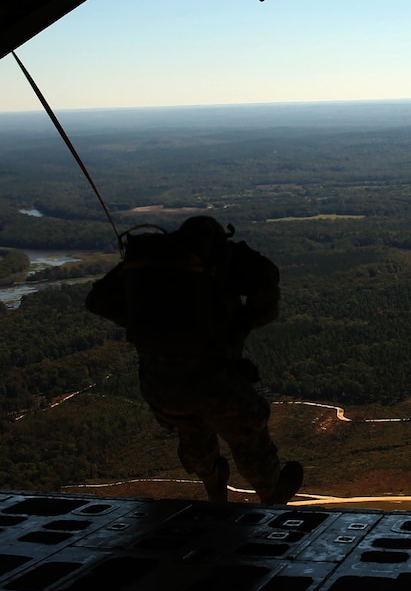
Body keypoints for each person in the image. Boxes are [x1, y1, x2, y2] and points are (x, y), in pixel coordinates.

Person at [85, 215, 302, 504]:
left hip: (159, 384)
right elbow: (266, 284)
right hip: (215, 381)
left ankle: (214, 486)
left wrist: (148, 325)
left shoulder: (151, 261)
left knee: (192, 431)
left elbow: (97, 300)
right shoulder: (221, 256)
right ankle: (272, 494)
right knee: (248, 438)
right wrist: (239, 326)